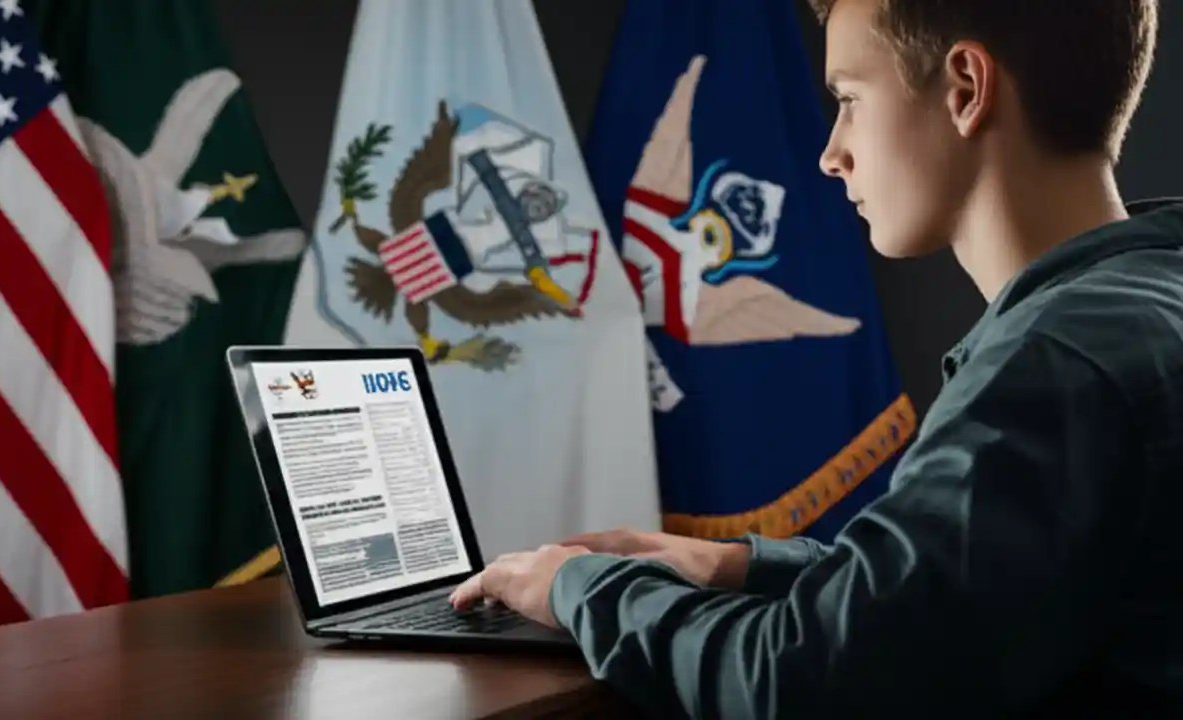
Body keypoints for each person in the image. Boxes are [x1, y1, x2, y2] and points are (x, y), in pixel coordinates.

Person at [450, 0, 1181, 716]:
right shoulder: (1140, 304)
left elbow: (806, 679)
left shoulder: (1050, 361)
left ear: (965, 89)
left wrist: (576, 587)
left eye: (851, 100)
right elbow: (963, 590)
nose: (832, 156)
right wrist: (734, 563)